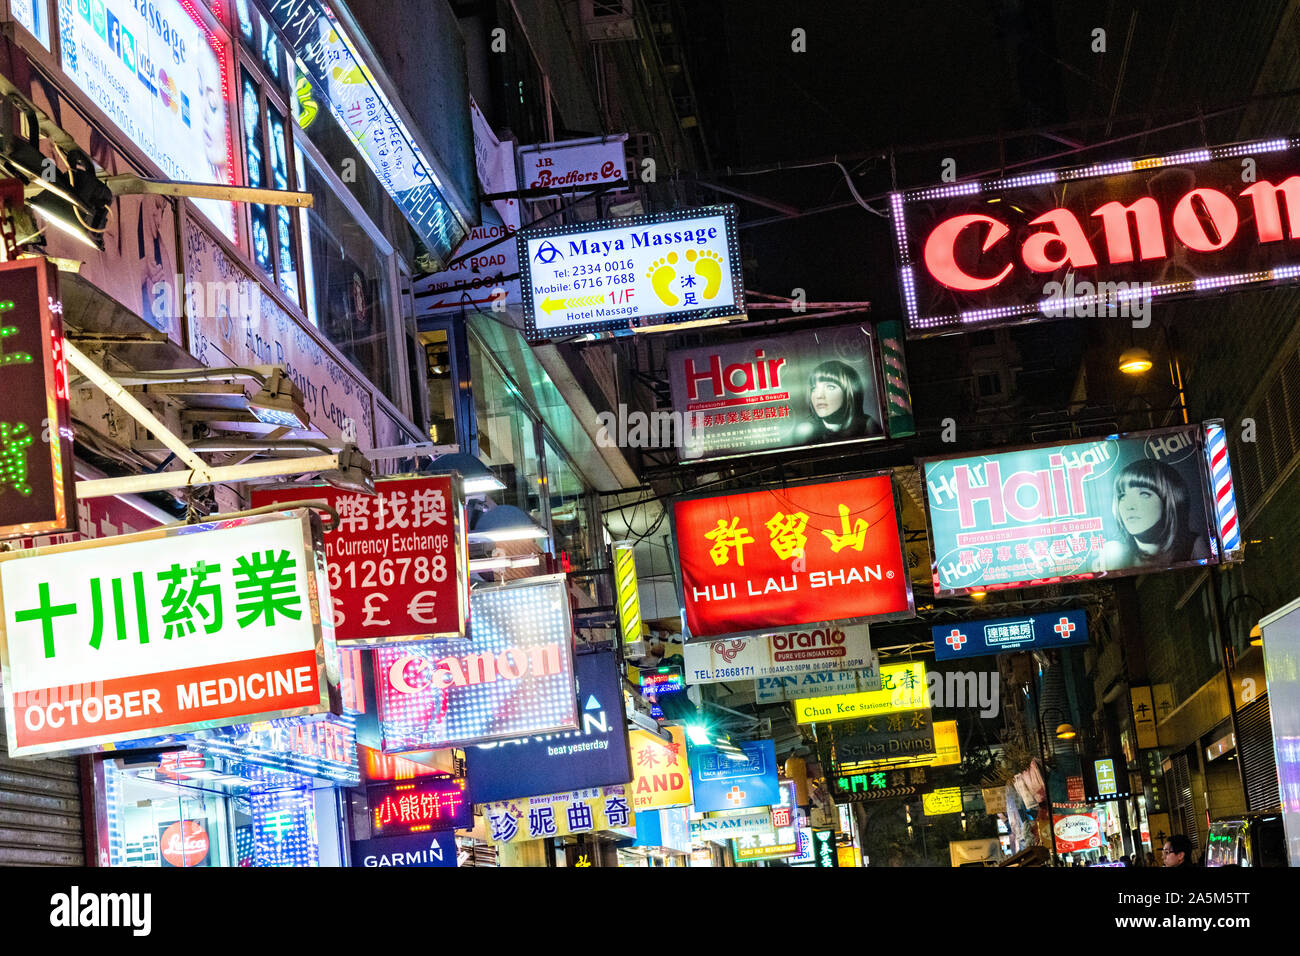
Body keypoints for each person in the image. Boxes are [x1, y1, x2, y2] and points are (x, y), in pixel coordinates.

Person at [1102, 458, 1209, 571]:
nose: (1129, 506)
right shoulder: (1113, 554)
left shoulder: (1193, 546)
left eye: (1144, 494)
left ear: (1169, 500)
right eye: (1122, 496)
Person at [790, 360, 881, 444]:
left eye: (830, 387)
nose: (819, 395)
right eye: (814, 388)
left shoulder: (867, 425)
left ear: (850, 392)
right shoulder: (805, 431)